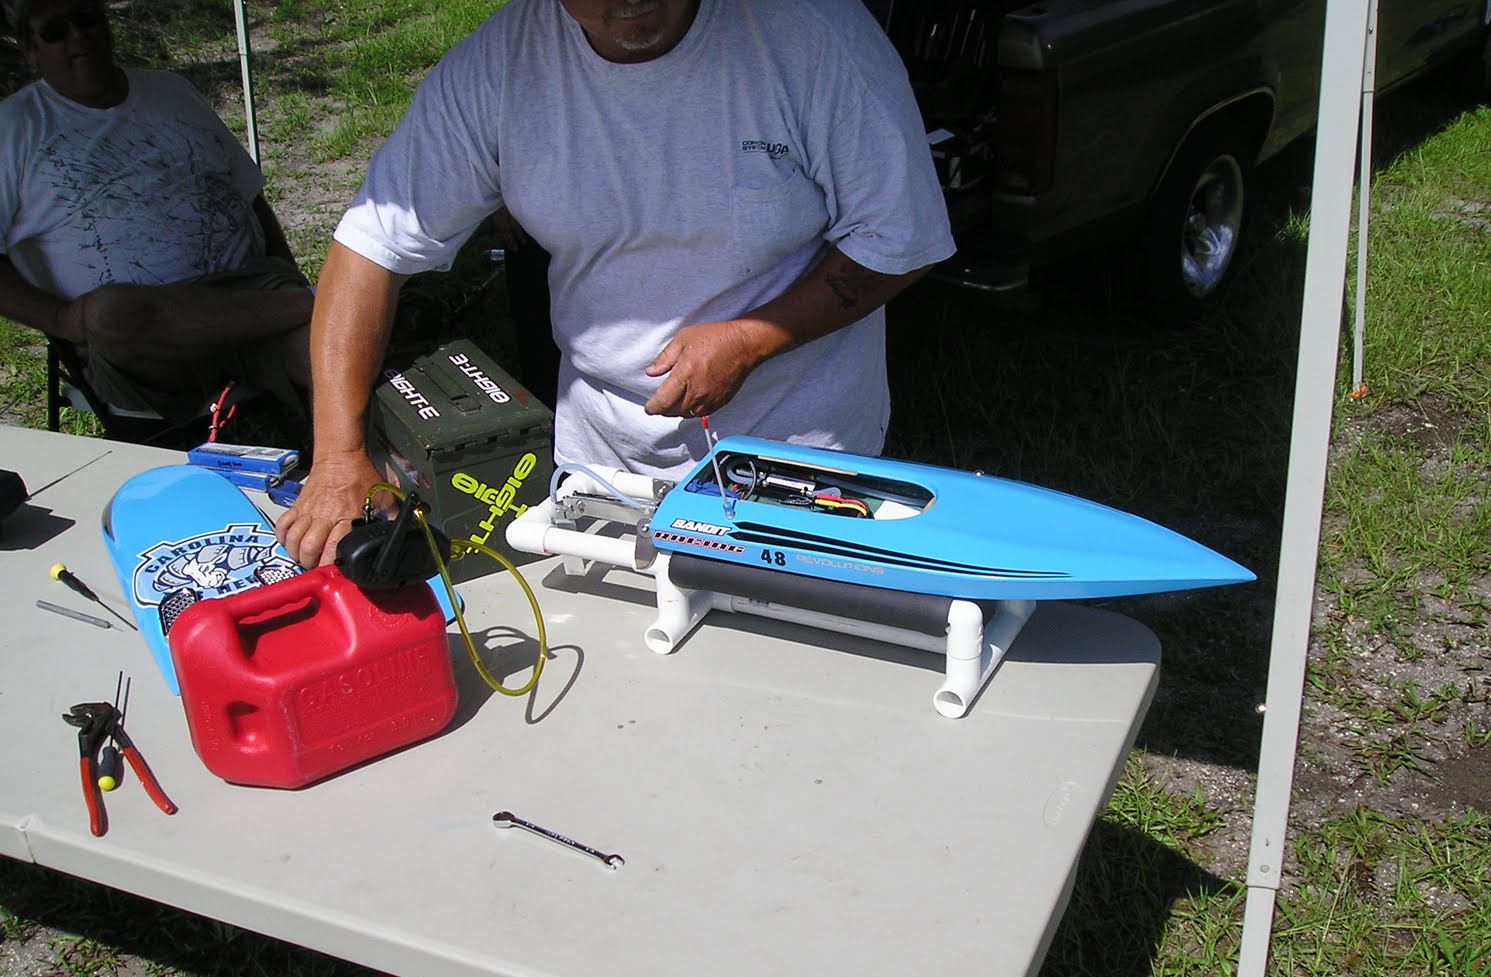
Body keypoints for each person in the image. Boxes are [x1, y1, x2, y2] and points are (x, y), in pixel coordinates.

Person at [277, 0, 954, 568]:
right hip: (599, 466)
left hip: (799, 460)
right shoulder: (501, 66)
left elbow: (902, 236)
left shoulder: (814, 35)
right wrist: (338, 457)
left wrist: (751, 339)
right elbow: (368, 248)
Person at [0, 0, 313, 436]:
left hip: (253, 301)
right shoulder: (13, 128)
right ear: (30, 49)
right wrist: (58, 320)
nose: (77, 36)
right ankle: (316, 303)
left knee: (344, 358)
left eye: (87, 19)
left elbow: (249, 197)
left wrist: (288, 273)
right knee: (110, 314)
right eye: (55, 30)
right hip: (153, 349)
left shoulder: (171, 90)